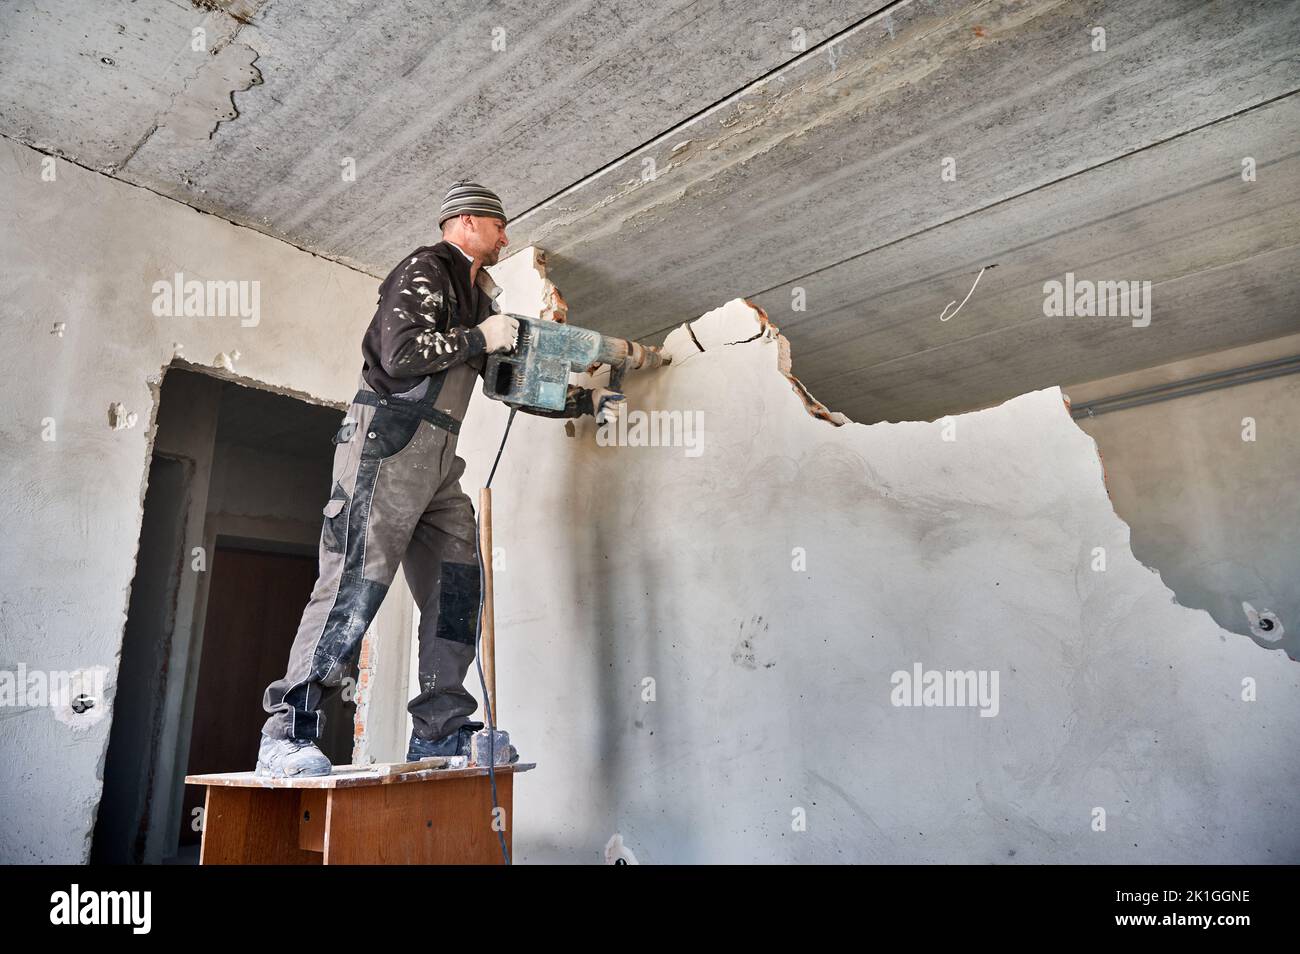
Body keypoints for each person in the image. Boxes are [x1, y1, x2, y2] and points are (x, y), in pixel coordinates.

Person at [255, 181, 624, 777]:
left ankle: (441, 731)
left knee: (457, 589)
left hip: (438, 461)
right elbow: (401, 355)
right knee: (355, 586)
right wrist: (481, 336)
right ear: (467, 221)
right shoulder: (426, 268)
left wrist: (584, 402)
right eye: (499, 225)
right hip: (388, 444)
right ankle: (287, 732)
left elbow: (505, 382)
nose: (506, 236)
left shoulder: (476, 295)